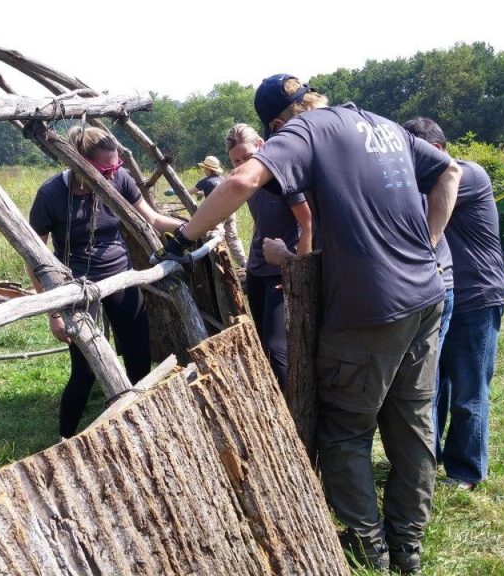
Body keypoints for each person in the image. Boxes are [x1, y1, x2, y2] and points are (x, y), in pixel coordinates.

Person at [156, 74, 461, 575]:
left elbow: (240, 181)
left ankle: (370, 551)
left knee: (344, 430)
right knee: (412, 425)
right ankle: (409, 546)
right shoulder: (380, 123)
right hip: (426, 297)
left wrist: (186, 236)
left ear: (276, 123)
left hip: (368, 309)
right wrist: (427, 243)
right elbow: (450, 170)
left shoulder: (304, 132)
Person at [28, 125, 184, 439]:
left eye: (116, 166)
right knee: (85, 371)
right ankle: (66, 439)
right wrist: (54, 313)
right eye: (106, 169)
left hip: (121, 276)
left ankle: (137, 427)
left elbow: (151, 219)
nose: (113, 174)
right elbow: (35, 257)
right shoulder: (52, 194)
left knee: (139, 356)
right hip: (77, 287)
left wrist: (193, 227)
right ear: (79, 163)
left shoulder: (120, 180)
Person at [402, 117, 504, 491]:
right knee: (434, 387)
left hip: (477, 296)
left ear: (438, 151)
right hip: (442, 296)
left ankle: (465, 471)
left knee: (468, 389)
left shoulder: (467, 174)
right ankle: (427, 463)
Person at [224, 123, 313, 389]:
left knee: (277, 347)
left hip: (282, 269)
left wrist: (296, 272)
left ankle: (291, 410)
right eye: (236, 160)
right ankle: (275, 402)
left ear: (262, 146)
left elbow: (308, 224)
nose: (242, 164)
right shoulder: (245, 182)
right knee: (263, 341)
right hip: (256, 269)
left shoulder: (285, 178)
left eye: (247, 157)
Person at [188, 155, 248, 266]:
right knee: (233, 238)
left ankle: (215, 264)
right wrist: (202, 193)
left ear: (209, 169)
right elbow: (215, 190)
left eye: (205, 168)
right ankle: (244, 264)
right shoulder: (223, 179)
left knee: (213, 236)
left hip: (219, 213)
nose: (204, 170)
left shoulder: (205, 181)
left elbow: (188, 192)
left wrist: (174, 191)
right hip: (230, 211)